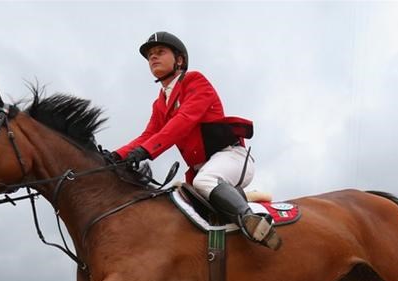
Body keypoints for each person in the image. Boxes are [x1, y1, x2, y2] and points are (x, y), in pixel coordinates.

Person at [111, 31, 280, 250]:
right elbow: (148, 135)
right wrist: (116, 155)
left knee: (204, 181)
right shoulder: (159, 103)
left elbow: (183, 121)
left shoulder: (195, 81)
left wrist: (145, 151)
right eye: (150, 55)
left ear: (179, 60)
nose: (153, 57)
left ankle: (254, 223)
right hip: (203, 169)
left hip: (231, 158)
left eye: (160, 52)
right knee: (175, 203)